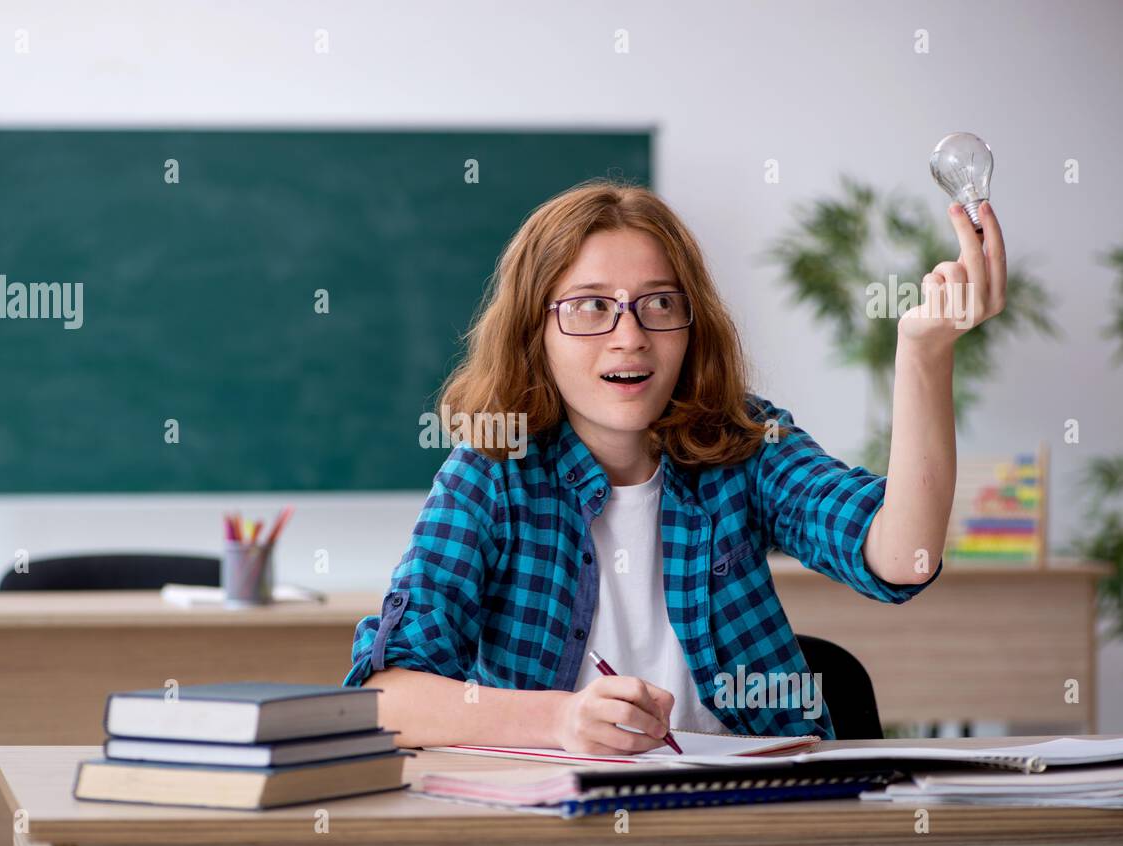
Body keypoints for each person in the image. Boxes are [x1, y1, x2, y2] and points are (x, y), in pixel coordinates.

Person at [344, 178, 1006, 753]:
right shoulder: (493, 471)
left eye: (659, 303)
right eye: (591, 306)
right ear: (533, 333)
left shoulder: (742, 441)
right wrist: (562, 719)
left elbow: (902, 558)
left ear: (691, 327)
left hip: (751, 824)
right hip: (557, 830)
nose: (629, 335)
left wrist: (924, 353)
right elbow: (387, 698)